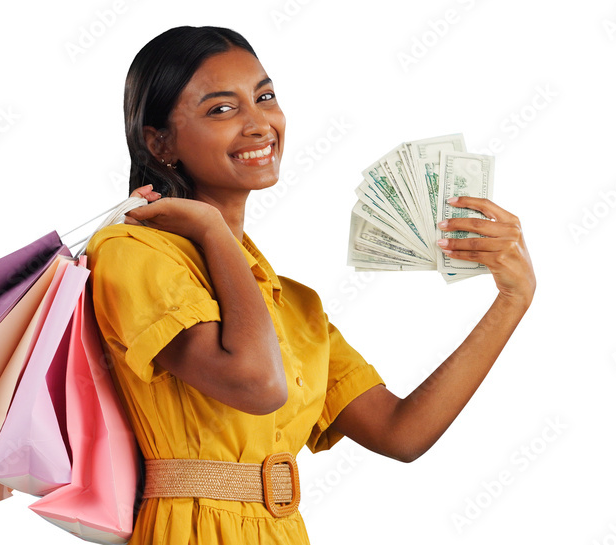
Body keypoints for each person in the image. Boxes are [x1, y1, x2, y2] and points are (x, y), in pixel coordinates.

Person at [85, 26, 535, 544]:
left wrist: (512, 300)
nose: (259, 124)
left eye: (265, 97)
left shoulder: (294, 304)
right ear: (158, 140)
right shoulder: (133, 252)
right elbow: (258, 384)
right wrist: (212, 230)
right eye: (221, 109)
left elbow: (401, 433)